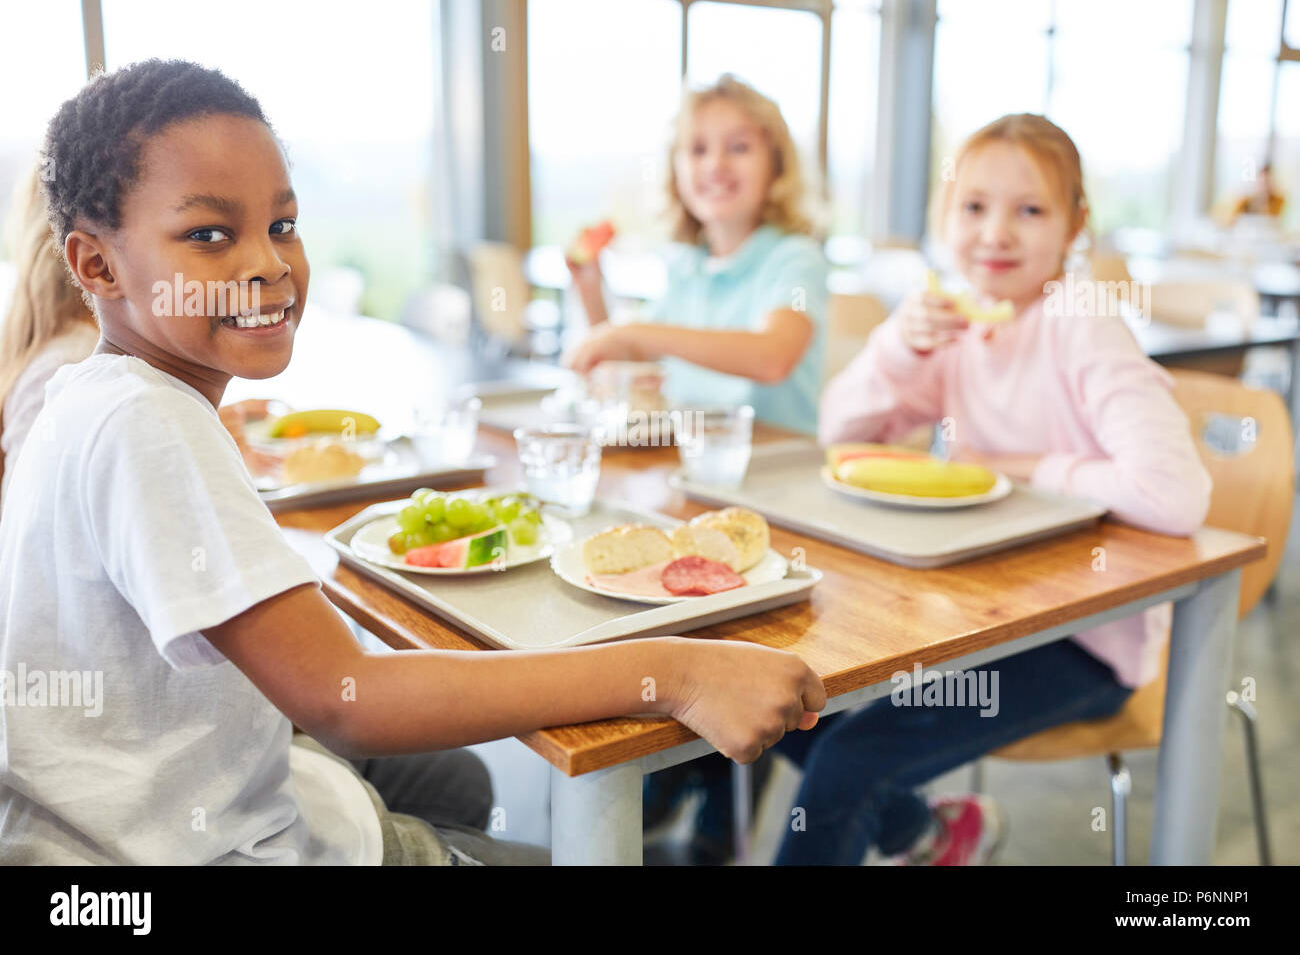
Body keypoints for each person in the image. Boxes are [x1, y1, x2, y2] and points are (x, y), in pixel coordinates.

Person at [0, 59, 824, 866]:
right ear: (95, 265)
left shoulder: (101, 396)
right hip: (174, 846)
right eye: (209, 235)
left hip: (114, 819)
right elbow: (346, 696)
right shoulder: (147, 421)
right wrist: (673, 670)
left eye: (282, 225)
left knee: (458, 787)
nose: (269, 264)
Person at [775, 113, 1212, 865]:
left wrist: (1024, 465)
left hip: (1087, 639)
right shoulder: (962, 327)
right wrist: (896, 346)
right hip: (983, 613)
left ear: (1076, 225)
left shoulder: (1081, 324)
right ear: (944, 219)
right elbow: (842, 434)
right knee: (789, 717)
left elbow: (1175, 492)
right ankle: (932, 835)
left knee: (849, 760)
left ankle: (927, 832)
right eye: (973, 207)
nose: (996, 234)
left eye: (1030, 210)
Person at [564, 75, 827, 435]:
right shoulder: (687, 266)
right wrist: (592, 293)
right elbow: (629, 358)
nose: (715, 164)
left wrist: (633, 331)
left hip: (776, 470)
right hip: (692, 464)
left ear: (776, 166)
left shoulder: (795, 259)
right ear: (677, 170)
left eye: (739, 147)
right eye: (698, 150)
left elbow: (773, 358)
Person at [0, 166, 278, 503]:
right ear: (98, 263)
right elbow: (37, 522)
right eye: (202, 236)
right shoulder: (68, 363)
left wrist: (201, 423)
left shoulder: (93, 356)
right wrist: (192, 442)